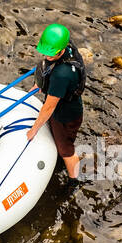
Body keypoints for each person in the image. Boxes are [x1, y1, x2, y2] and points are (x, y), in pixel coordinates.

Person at [26, 23, 85, 181]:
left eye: (51, 54)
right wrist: (39, 84)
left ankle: (74, 179)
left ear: (61, 50)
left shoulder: (62, 75)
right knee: (60, 141)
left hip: (65, 117)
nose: (47, 57)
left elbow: (49, 107)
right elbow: (49, 64)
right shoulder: (67, 46)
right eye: (46, 53)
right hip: (67, 104)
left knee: (66, 151)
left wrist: (34, 130)